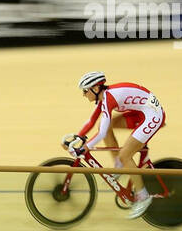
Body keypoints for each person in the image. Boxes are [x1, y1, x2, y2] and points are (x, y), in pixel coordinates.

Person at [65, 72, 165, 219]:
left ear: (96, 88)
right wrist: (79, 136)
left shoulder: (108, 98)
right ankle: (119, 165)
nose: (84, 94)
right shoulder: (104, 97)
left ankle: (143, 197)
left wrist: (86, 147)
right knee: (105, 124)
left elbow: (102, 134)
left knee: (126, 155)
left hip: (153, 115)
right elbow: (92, 121)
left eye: (85, 90)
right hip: (141, 112)